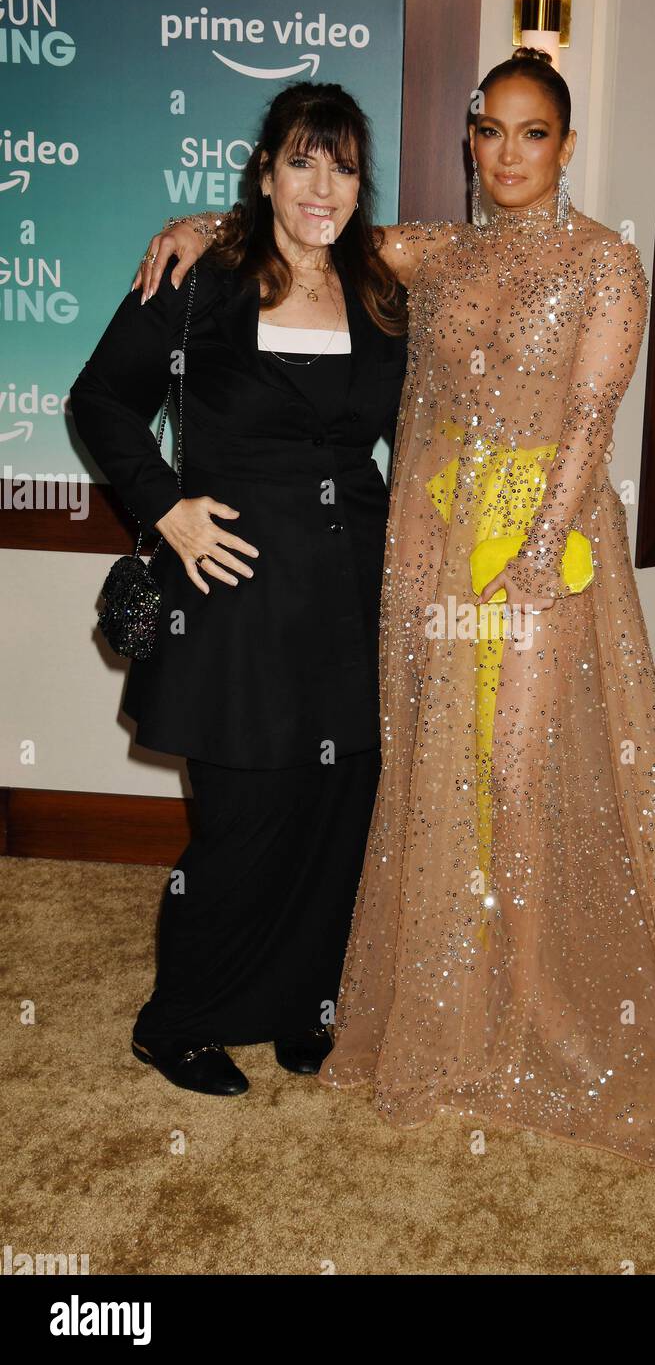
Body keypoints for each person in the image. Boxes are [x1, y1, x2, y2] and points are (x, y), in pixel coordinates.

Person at [143, 51, 655, 1242]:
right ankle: (445, 1004)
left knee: (515, 789)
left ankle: (526, 1020)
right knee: (429, 779)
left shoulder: (602, 264)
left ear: (565, 147)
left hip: (530, 557)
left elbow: (586, 427)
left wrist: (526, 570)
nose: (509, 154)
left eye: (534, 134)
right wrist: (207, 219)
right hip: (421, 552)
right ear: (470, 139)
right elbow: (320, 222)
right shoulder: (431, 253)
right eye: (491, 132)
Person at [70, 83, 408, 1096]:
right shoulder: (199, 278)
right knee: (242, 825)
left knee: (339, 810)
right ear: (262, 173)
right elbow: (100, 400)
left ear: (361, 183)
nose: (321, 186)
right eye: (299, 162)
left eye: (341, 165)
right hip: (232, 603)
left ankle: (305, 1008)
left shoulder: (383, 292)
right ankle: (177, 1022)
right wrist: (164, 505)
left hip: (350, 594)